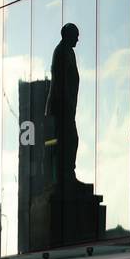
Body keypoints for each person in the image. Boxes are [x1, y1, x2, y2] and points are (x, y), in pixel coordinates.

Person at [45, 23, 80, 184]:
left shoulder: (68, 51)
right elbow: (60, 81)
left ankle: (65, 175)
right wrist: (66, 104)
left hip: (67, 105)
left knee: (67, 140)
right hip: (61, 105)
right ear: (68, 35)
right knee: (68, 140)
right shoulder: (61, 52)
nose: (78, 39)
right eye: (76, 35)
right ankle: (64, 176)